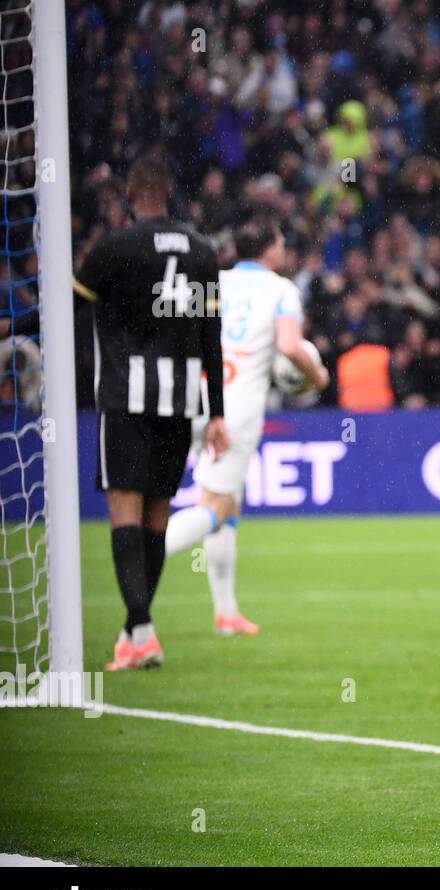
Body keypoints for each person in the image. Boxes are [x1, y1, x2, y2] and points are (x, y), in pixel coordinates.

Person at [80, 158, 229, 670]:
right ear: (169, 196)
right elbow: (212, 337)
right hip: (181, 401)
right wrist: (217, 414)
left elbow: (71, 306)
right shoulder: (204, 252)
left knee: (125, 510)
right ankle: (134, 631)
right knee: (156, 517)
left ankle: (141, 630)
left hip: (125, 399)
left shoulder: (116, 247)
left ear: (130, 198)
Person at [163, 221, 328, 634]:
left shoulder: (211, 281)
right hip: (234, 408)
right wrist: (318, 377)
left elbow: (181, 333)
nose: (285, 248)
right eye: (281, 241)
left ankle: (226, 613)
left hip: (192, 396)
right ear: (270, 250)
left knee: (227, 502)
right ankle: (145, 550)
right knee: (216, 506)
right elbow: (290, 347)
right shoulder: (281, 289)